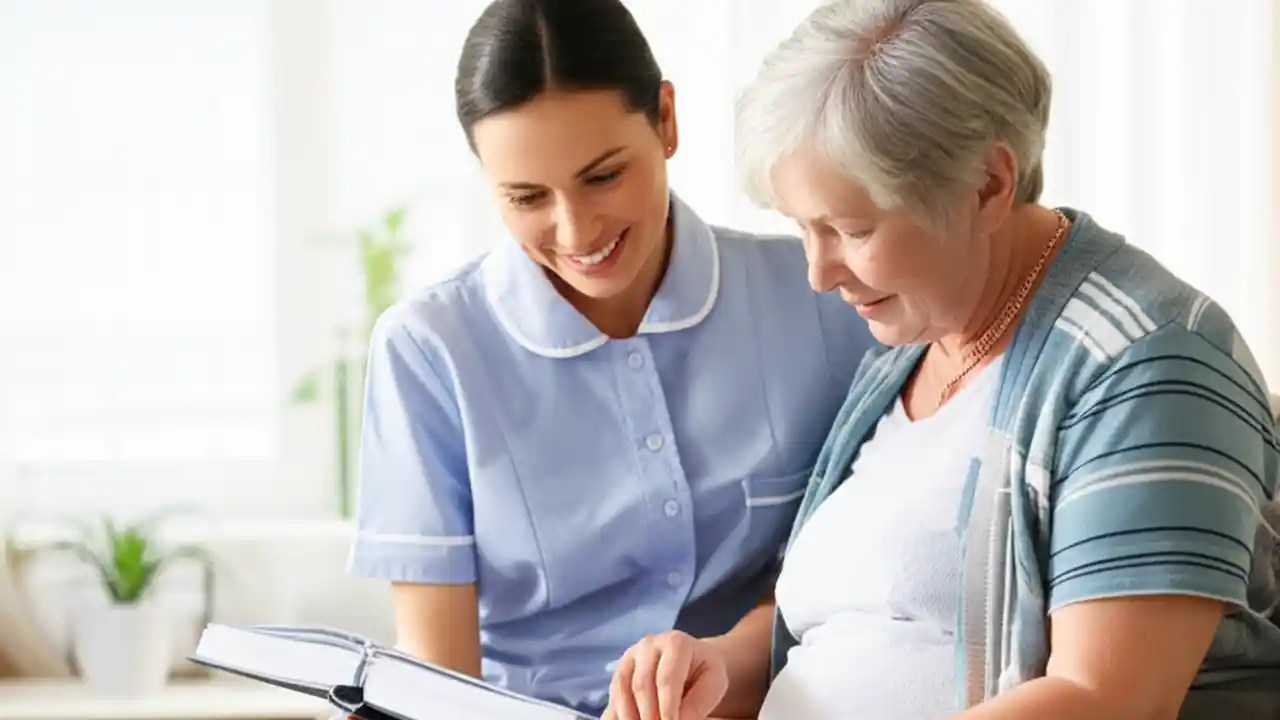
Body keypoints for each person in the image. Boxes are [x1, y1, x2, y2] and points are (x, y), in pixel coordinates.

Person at [603, 1, 1280, 718]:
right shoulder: (916, 343)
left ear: (987, 185)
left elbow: (1108, 700)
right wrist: (709, 666)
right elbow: (846, 618)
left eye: (852, 228)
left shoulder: (1150, 362)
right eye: (804, 227)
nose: (818, 272)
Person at [344, 0, 875, 715]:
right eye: (526, 195)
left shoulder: (823, 299)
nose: (576, 230)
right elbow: (440, 683)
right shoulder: (429, 351)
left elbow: (865, 572)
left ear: (667, 119)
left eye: (603, 177)